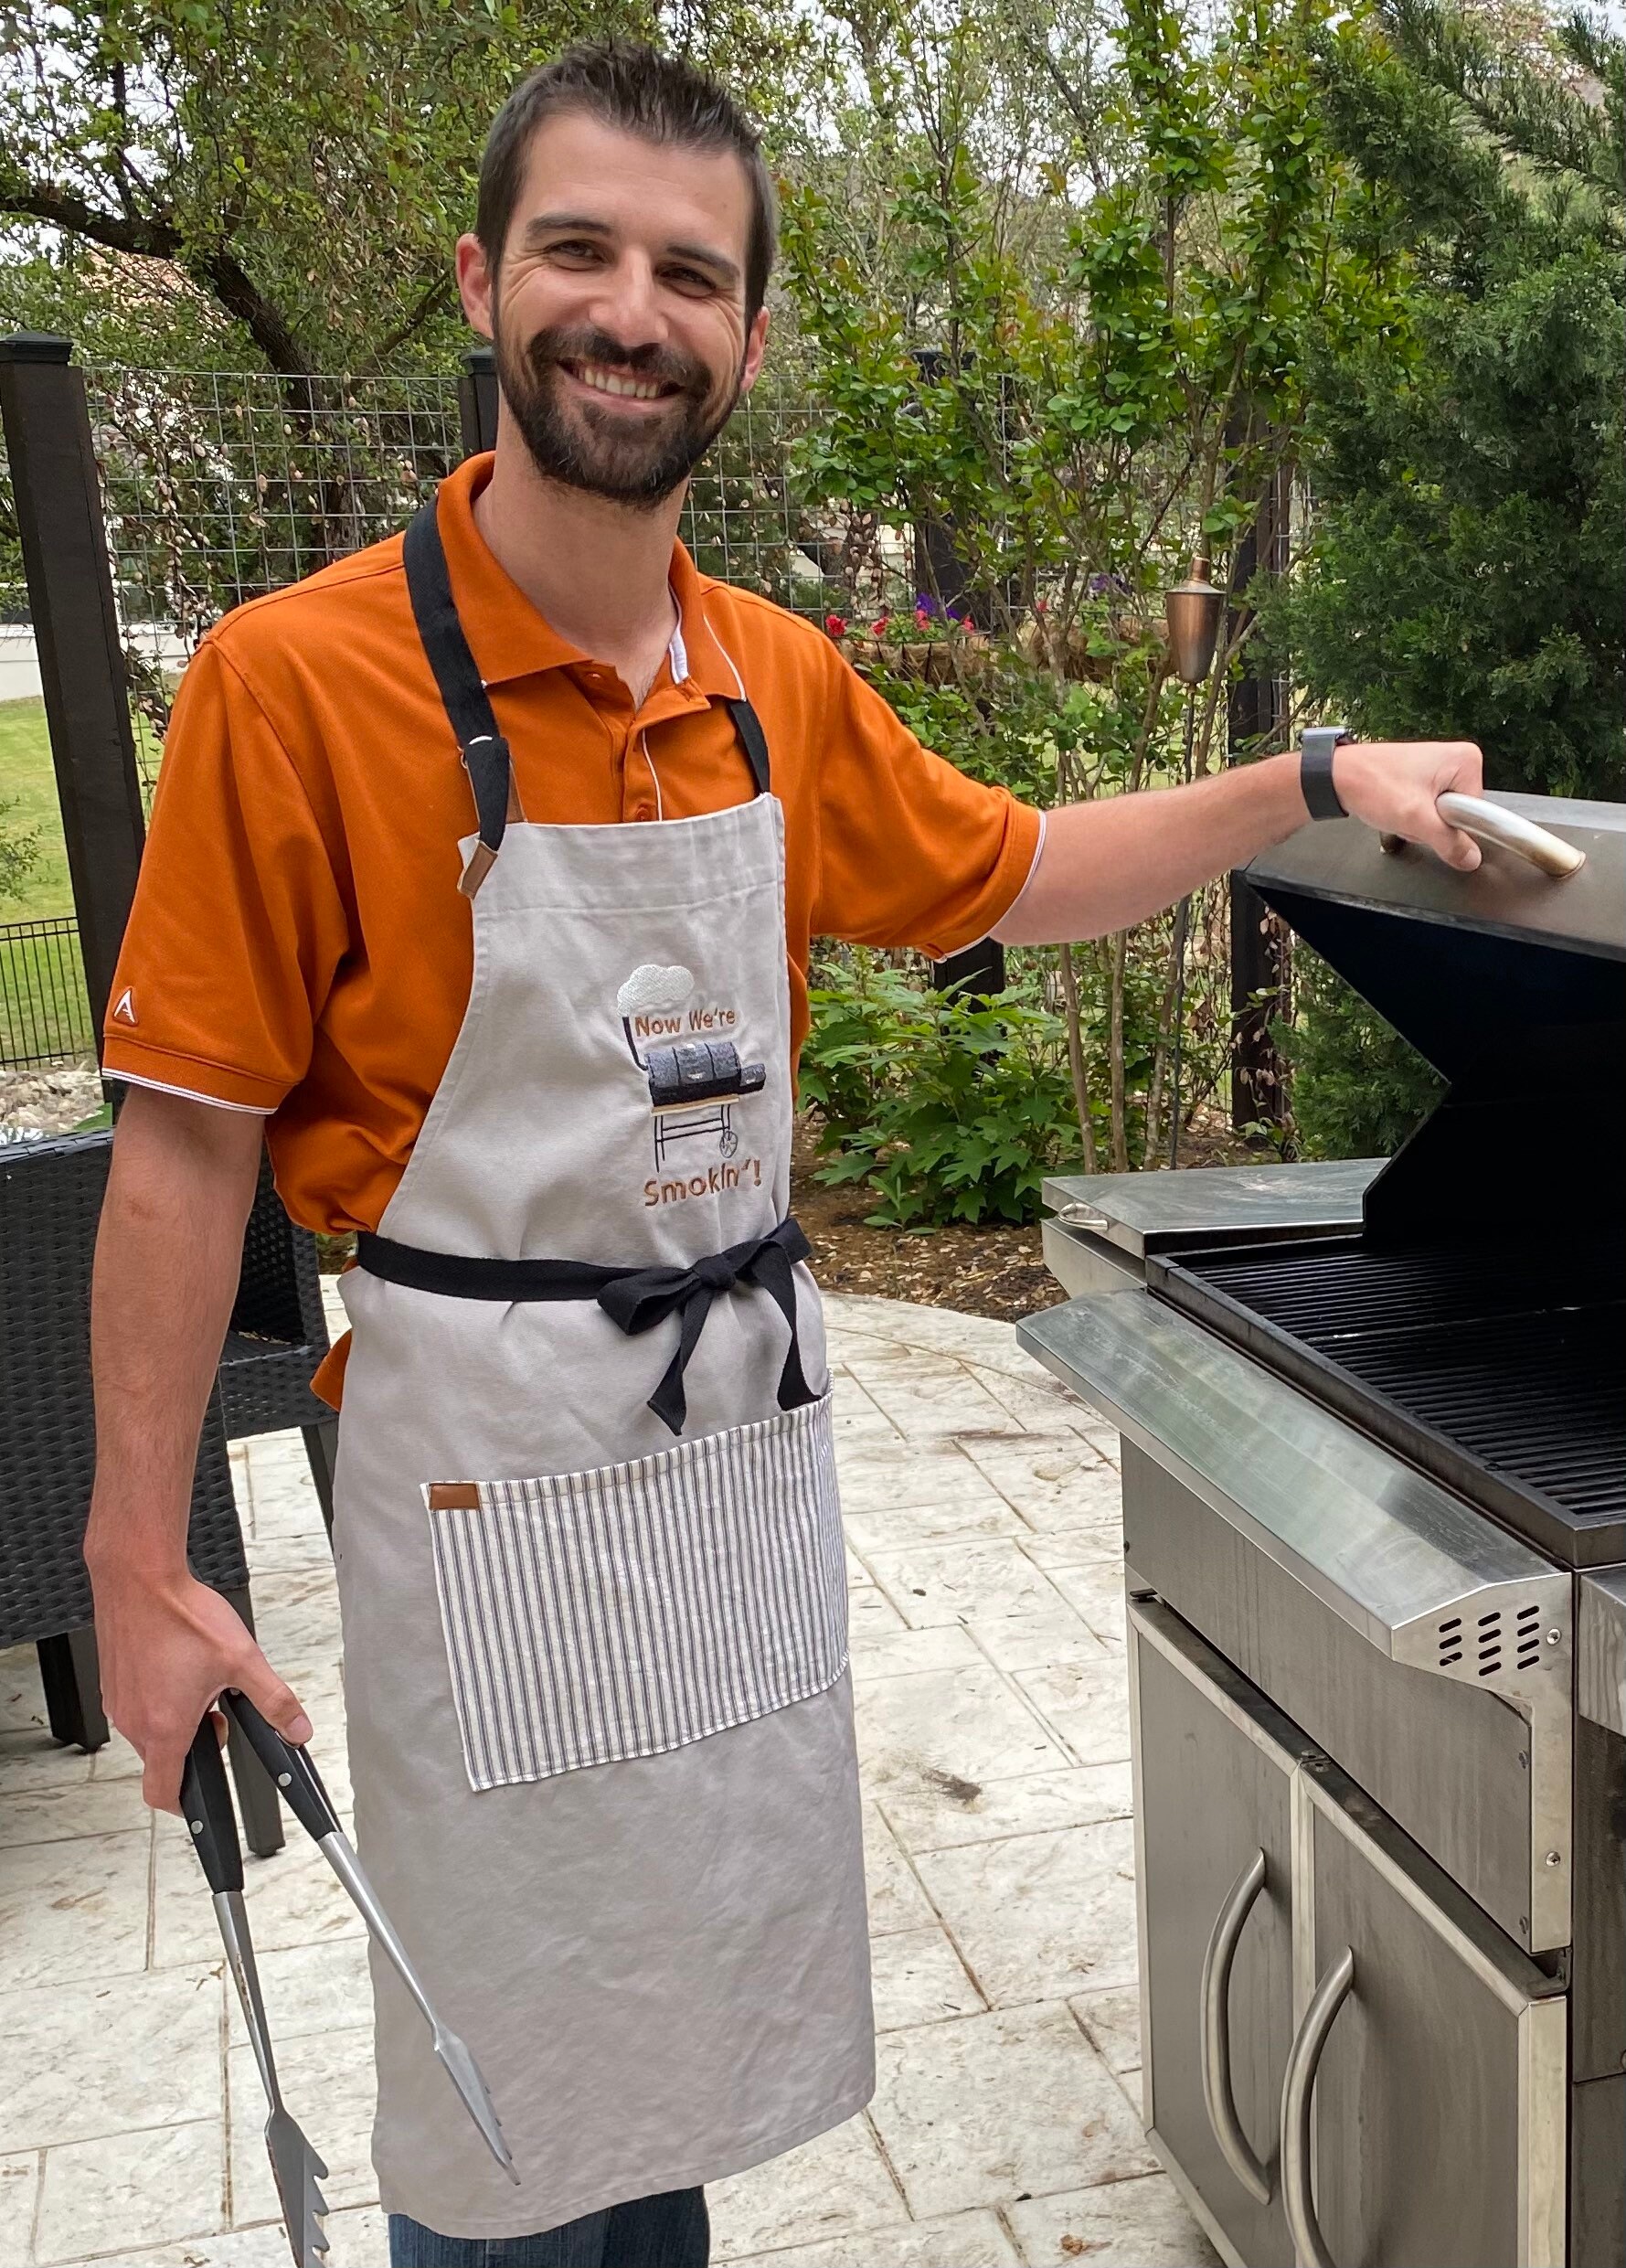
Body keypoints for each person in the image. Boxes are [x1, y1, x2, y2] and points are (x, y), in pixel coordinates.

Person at [83, 40, 1486, 2268]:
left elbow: (1017, 865)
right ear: (480, 279)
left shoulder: (772, 681)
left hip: (724, 1452)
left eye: (685, 271)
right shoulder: (290, 679)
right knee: (512, 2090)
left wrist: (1305, 781)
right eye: (577, 250)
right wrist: (138, 1567)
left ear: (744, 332)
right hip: (486, 1471)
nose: (627, 308)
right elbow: (179, 1154)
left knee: (684, 2045)